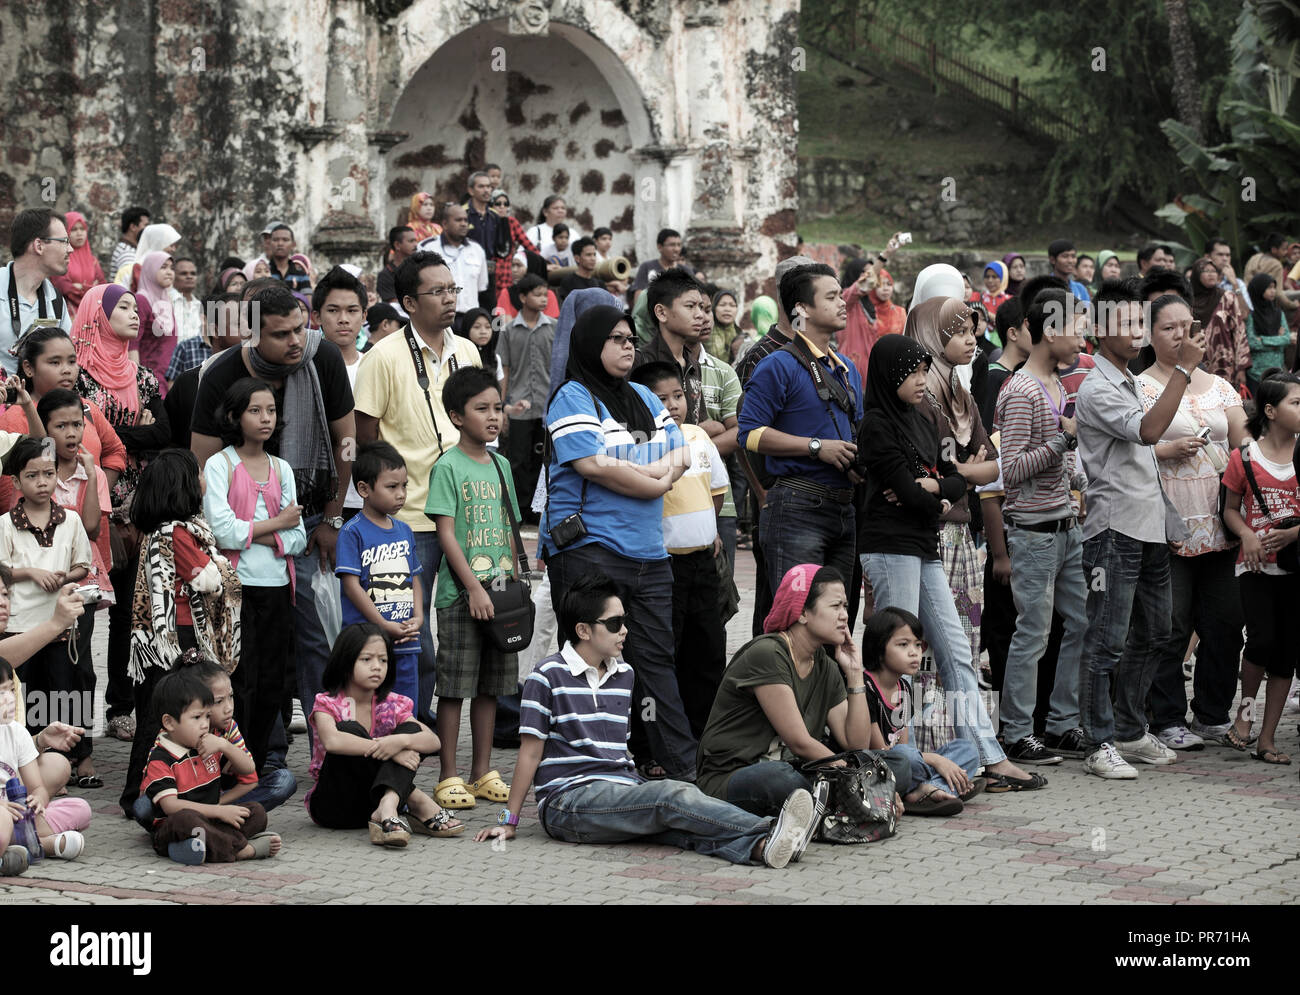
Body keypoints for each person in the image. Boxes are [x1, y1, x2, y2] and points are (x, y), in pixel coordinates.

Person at [474, 574, 817, 868]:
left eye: (624, 620)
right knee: (672, 795)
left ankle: (760, 849)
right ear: (583, 630)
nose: (624, 630)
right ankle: (772, 829)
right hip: (568, 804)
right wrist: (509, 821)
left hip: (621, 790)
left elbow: (618, 748)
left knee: (679, 826)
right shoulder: (546, 676)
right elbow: (529, 755)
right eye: (613, 624)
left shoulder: (625, 674)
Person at [856, 334, 1040, 789]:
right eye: (913, 372)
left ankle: (987, 756)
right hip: (888, 546)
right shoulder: (876, 425)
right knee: (897, 656)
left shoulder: (921, 420)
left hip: (922, 545)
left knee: (957, 650)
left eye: (924, 371)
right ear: (890, 374)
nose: (922, 381)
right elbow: (922, 489)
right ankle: (906, 765)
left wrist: (935, 488)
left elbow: (953, 479)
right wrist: (933, 490)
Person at [191, 282, 354, 741]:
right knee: (246, 648)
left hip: (312, 518)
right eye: (282, 334)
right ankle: (250, 747)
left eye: (301, 329)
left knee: (316, 637)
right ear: (252, 335)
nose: (296, 341)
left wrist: (334, 517)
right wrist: (234, 534)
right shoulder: (222, 374)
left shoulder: (323, 360)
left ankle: (332, 745)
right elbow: (200, 464)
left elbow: (347, 444)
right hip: (235, 539)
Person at [540, 305, 695, 781]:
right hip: (591, 550)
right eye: (614, 339)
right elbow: (590, 465)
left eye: (630, 338)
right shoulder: (573, 396)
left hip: (649, 554)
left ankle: (683, 771)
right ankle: (579, 768)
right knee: (585, 663)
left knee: (655, 664)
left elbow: (683, 452)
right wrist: (654, 477)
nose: (627, 346)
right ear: (590, 345)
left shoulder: (645, 397)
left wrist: (645, 473)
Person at [1074, 281, 1203, 778]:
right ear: (1100, 330)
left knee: (1157, 632)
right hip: (1112, 529)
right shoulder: (1096, 385)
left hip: (1147, 527)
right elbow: (1149, 432)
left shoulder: (1127, 379)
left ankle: (1129, 731)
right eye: (1126, 324)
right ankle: (1097, 740)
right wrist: (1185, 370)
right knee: (1106, 638)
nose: (1136, 333)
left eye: (1138, 323)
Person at [354, 252, 482, 724]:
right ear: (408, 302)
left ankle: (437, 726)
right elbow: (365, 436)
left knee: (469, 626)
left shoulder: (467, 350)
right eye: (438, 292)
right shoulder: (382, 358)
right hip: (412, 519)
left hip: (467, 513)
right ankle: (408, 721)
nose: (449, 299)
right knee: (412, 635)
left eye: (454, 290)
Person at [697, 563, 905, 811]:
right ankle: (859, 800)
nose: (844, 616)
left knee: (901, 762)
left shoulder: (826, 666)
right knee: (783, 780)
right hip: (735, 776)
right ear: (803, 613)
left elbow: (855, 743)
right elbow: (800, 742)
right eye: (835, 606)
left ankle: (841, 802)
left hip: (798, 769)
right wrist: (858, 778)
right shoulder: (769, 653)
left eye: (845, 607)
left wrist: (855, 674)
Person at [1136, 294, 1248, 751]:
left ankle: (1212, 712)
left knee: (1225, 621)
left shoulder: (1220, 386)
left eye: (1187, 326)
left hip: (1222, 522)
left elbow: (1244, 442)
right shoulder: (1139, 386)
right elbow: (1129, 445)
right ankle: (1165, 717)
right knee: (1170, 625)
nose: (1181, 335)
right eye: (1169, 328)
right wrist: (1164, 450)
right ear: (1149, 335)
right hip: (1168, 524)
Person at [993, 288, 1091, 764]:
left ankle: (1061, 724)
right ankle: (1015, 732)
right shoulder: (1021, 391)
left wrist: (1076, 477)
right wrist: (1061, 442)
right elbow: (1009, 470)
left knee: (1082, 622)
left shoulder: (1056, 384)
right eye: (1077, 329)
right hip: (1032, 533)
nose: (1083, 339)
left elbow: (1056, 455)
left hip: (1066, 526)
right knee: (1032, 633)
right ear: (1050, 331)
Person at [73, 282, 172, 744]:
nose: (136, 315)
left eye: (137, 307)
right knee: (89, 610)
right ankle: (75, 718)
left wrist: (115, 433)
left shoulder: (146, 377)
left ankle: (122, 705)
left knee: (133, 613)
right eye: (124, 308)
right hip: (96, 509)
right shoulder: (76, 380)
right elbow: (79, 439)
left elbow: (164, 437)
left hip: (142, 509)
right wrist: (135, 430)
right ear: (98, 315)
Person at [120, 448, 241, 815]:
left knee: (155, 714)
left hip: (156, 640)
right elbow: (206, 579)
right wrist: (222, 567)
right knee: (168, 716)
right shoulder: (177, 533)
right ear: (184, 486)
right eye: (199, 473)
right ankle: (142, 797)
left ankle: (147, 792)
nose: (205, 479)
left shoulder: (156, 531)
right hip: (180, 638)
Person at [426, 366, 521, 809]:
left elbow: (509, 526)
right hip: (461, 597)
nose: (493, 417)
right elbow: (446, 533)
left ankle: (482, 771)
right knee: (454, 687)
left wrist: (515, 579)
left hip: (501, 594)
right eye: (481, 409)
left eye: (497, 408)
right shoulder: (448, 466)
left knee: (491, 686)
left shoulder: (502, 464)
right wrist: (473, 589)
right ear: (456, 416)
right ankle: (449, 775)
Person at [203, 378, 307, 771]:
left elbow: (297, 538)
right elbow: (221, 530)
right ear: (234, 416)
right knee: (239, 682)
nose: (265, 418)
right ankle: (230, 765)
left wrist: (265, 532)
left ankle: (256, 765)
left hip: (278, 587)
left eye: (271, 410)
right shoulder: (221, 464)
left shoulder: (281, 468)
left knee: (273, 684)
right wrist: (276, 524)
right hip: (236, 589)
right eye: (254, 410)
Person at [739, 263, 862, 595]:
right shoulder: (778, 364)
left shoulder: (847, 369)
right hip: (796, 507)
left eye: (841, 296)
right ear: (802, 308)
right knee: (799, 616)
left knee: (836, 621)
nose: (842, 303)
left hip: (844, 507)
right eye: (832, 296)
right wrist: (816, 447)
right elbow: (748, 434)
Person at [633, 362, 728, 739]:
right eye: (661, 398)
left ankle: (703, 735)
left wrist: (707, 530)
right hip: (663, 565)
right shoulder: (639, 440)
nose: (673, 405)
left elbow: (716, 491)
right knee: (663, 653)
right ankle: (656, 742)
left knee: (707, 649)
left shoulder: (698, 438)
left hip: (703, 562)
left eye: (678, 396)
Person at [306, 623, 460, 843]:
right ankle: (416, 800)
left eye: (383, 660)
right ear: (346, 661)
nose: (377, 667)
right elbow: (333, 741)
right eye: (366, 659)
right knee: (349, 729)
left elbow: (433, 741)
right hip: (334, 806)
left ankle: (388, 804)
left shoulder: (392, 704)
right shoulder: (328, 703)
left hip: (375, 804)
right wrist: (390, 751)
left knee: (412, 731)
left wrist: (399, 741)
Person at [0, 434, 94, 784]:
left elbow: (83, 566)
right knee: (22, 695)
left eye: (48, 474)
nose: (42, 482)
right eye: (32, 475)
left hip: (61, 626)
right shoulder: (6, 524)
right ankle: (26, 767)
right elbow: (1, 569)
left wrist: (64, 575)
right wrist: (32, 573)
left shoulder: (69, 521)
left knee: (65, 691)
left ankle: (76, 759)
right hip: (19, 627)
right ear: (16, 481)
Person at [1221, 372, 1300, 764]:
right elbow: (1230, 510)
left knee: (1286, 654)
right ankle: (1245, 716)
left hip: (1295, 570)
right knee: (1262, 641)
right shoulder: (1244, 457)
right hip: (1254, 569)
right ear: (1270, 411)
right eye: (1296, 403)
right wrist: (1247, 536)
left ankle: (1267, 739)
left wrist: (1293, 533)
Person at [129, 651, 296, 828]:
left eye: (230, 697)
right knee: (143, 807)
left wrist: (223, 745)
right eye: (218, 701)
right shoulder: (173, 735)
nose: (228, 708)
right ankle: (201, 824)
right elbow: (153, 787)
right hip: (181, 804)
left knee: (283, 781)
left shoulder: (228, 727)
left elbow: (249, 772)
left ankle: (215, 818)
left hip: (217, 798)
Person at [138, 668, 281, 864]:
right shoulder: (161, 757)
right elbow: (171, 806)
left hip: (209, 821)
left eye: (207, 717)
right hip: (173, 828)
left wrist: (224, 745)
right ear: (169, 723)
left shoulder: (208, 743)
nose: (205, 724)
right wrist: (219, 811)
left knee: (256, 812)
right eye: (197, 718)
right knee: (186, 820)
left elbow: (249, 774)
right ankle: (242, 850)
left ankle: (201, 846)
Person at [861, 607, 983, 815]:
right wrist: (936, 760)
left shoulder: (904, 688)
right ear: (879, 649)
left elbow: (905, 743)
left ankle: (926, 791)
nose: (914, 652)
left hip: (904, 765)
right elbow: (882, 751)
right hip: (877, 768)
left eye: (918, 645)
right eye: (903, 644)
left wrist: (933, 759)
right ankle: (942, 787)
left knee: (968, 750)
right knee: (904, 758)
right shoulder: (866, 688)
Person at [336, 441, 423, 709]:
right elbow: (352, 587)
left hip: (405, 641)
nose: (401, 494)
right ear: (364, 489)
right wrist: (383, 625)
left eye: (404, 486)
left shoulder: (404, 530)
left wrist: (418, 617)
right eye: (392, 486)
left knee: (405, 710)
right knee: (368, 711)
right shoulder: (352, 532)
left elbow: (415, 578)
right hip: (367, 645)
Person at [0, 657, 91, 869]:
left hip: (18, 814)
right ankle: (43, 845)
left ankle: (18, 848)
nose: (10, 699)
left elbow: (37, 787)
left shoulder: (17, 733)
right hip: (3, 815)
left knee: (80, 808)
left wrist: (37, 802)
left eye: (11, 691)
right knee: (2, 822)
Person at [500, 275, 556, 516]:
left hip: (546, 406)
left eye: (545, 294)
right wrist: (502, 407)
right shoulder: (509, 330)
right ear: (523, 297)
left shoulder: (554, 327)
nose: (543, 299)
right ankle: (519, 511)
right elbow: (505, 369)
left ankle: (539, 511)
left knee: (542, 460)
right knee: (519, 460)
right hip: (519, 406)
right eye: (537, 294)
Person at [164, 293, 244, 449]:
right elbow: (169, 442)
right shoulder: (187, 383)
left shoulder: (262, 382)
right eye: (240, 325)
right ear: (214, 330)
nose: (249, 332)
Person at [1, 209, 74, 373]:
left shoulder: (55, 300)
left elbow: (69, 357)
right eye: (64, 241)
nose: (70, 249)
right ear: (39, 246)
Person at [634, 267, 708, 424]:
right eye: (690, 306)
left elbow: (699, 423)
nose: (700, 314)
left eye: (700, 307)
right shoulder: (641, 361)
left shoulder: (693, 364)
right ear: (661, 313)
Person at [1189, 257, 1250, 387]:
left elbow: (1239, 331)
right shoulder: (1187, 300)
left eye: (1214, 271)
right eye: (1205, 270)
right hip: (1196, 363)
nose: (1211, 274)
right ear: (1196, 275)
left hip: (1224, 365)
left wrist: (1241, 368)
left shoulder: (1227, 297)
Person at [421, 204, 489, 320]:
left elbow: (481, 288)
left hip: (470, 320)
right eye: (458, 220)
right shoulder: (427, 248)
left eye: (465, 220)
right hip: (439, 318)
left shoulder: (477, 249)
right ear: (445, 224)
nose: (463, 224)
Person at [134, 250, 179, 391]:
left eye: (172, 268)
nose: (169, 272)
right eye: (163, 267)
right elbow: (132, 344)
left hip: (167, 378)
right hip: (149, 380)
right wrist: (137, 383)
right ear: (150, 269)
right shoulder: (141, 300)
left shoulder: (166, 299)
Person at [1245, 273, 1292, 394]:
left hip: (1277, 371)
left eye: (1274, 287)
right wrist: (1277, 339)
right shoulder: (1252, 315)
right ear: (1259, 289)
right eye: (1269, 287)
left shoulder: (1278, 313)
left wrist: (1263, 340)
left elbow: (1287, 338)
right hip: (1256, 373)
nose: (1273, 291)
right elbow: (1252, 342)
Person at [50, 212, 105, 312]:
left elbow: (102, 288)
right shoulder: (59, 259)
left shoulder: (93, 261)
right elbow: (64, 287)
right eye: (74, 229)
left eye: (82, 229)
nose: (79, 233)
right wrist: (91, 288)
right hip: (68, 314)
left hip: (93, 312)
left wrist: (81, 287)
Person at [632, 228, 696, 298]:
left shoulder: (686, 271)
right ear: (659, 247)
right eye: (672, 245)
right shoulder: (647, 267)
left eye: (679, 245)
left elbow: (693, 296)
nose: (676, 249)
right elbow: (639, 297)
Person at [378, 226, 418, 304]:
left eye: (416, 241)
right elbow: (394, 303)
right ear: (397, 245)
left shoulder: (419, 269)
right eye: (411, 241)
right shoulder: (386, 275)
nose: (416, 245)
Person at [265, 225, 311, 294]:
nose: (280, 243)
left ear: (293, 244)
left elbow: (308, 303)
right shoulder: (263, 272)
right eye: (276, 240)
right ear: (270, 244)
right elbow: (253, 302)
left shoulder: (301, 274)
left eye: (285, 240)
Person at [524, 195, 571, 260]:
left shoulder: (573, 233)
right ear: (545, 212)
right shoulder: (535, 231)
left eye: (563, 208)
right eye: (556, 208)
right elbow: (522, 255)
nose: (560, 211)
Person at [110, 207, 150, 276]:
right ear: (133, 227)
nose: (148, 229)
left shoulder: (132, 249)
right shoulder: (126, 252)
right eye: (145, 225)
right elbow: (132, 281)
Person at [706, 290, 741, 363]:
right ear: (714, 308)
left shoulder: (741, 335)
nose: (727, 309)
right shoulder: (705, 334)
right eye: (722, 304)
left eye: (732, 305)